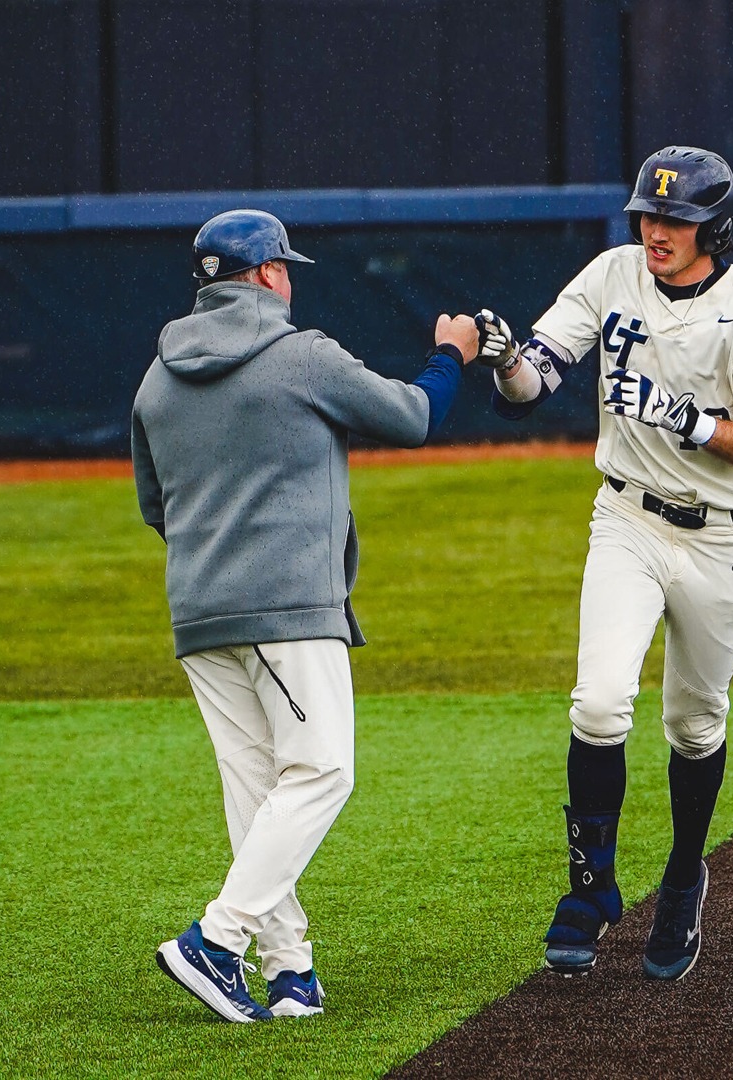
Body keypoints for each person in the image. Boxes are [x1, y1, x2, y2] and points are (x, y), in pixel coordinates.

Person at [132, 209, 478, 1021]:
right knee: (323, 769)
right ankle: (215, 942)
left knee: (258, 790)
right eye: (283, 267)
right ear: (263, 276)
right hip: (288, 608)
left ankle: (290, 973)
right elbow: (412, 417)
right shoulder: (301, 356)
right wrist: (449, 355)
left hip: (199, 613)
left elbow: (157, 508)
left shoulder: (155, 377)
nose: (288, 278)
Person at [474, 146, 733, 981]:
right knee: (598, 702)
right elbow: (533, 384)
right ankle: (589, 890)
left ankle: (685, 875)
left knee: (695, 723)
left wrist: (685, 420)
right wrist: (507, 358)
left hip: (719, 539)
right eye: (649, 215)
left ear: (713, 229)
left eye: (677, 220)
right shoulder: (614, 274)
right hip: (625, 517)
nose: (657, 231)